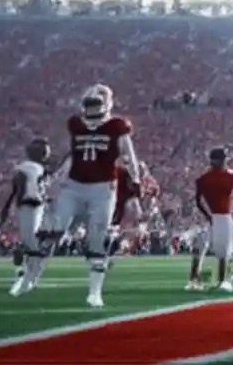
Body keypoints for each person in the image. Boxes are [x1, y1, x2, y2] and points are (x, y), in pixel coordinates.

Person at [32, 84, 140, 308]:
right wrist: (56, 179)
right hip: (74, 186)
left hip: (102, 188)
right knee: (52, 232)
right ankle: (29, 277)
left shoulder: (117, 127)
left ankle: (95, 292)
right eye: (91, 100)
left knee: (97, 238)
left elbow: (129, 157)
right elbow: (73, 155)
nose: (94, 104)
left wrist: (136, 181)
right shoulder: (77, 124)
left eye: (99, 99)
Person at [0, 138, 51, 297]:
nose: (46, 154)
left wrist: (7, 208)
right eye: (44, 151)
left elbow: (15, 189)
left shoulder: (34, 168)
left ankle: (26, 274)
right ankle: (27, 277)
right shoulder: (28, 168)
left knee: (35, 244)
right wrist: (9, 207)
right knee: (33, 244)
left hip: (35, 205)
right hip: (31, 204)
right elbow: (18, 187)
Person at [190, 147, 233, 291]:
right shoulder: (231, 176)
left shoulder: (202, 178)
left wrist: (207, 215)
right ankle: (222, 280)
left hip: (208, 215)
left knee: (200, 248)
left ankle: (194, 279)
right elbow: (230, 194)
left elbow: (198, 201)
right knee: (224, 251)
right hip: (223, 216)